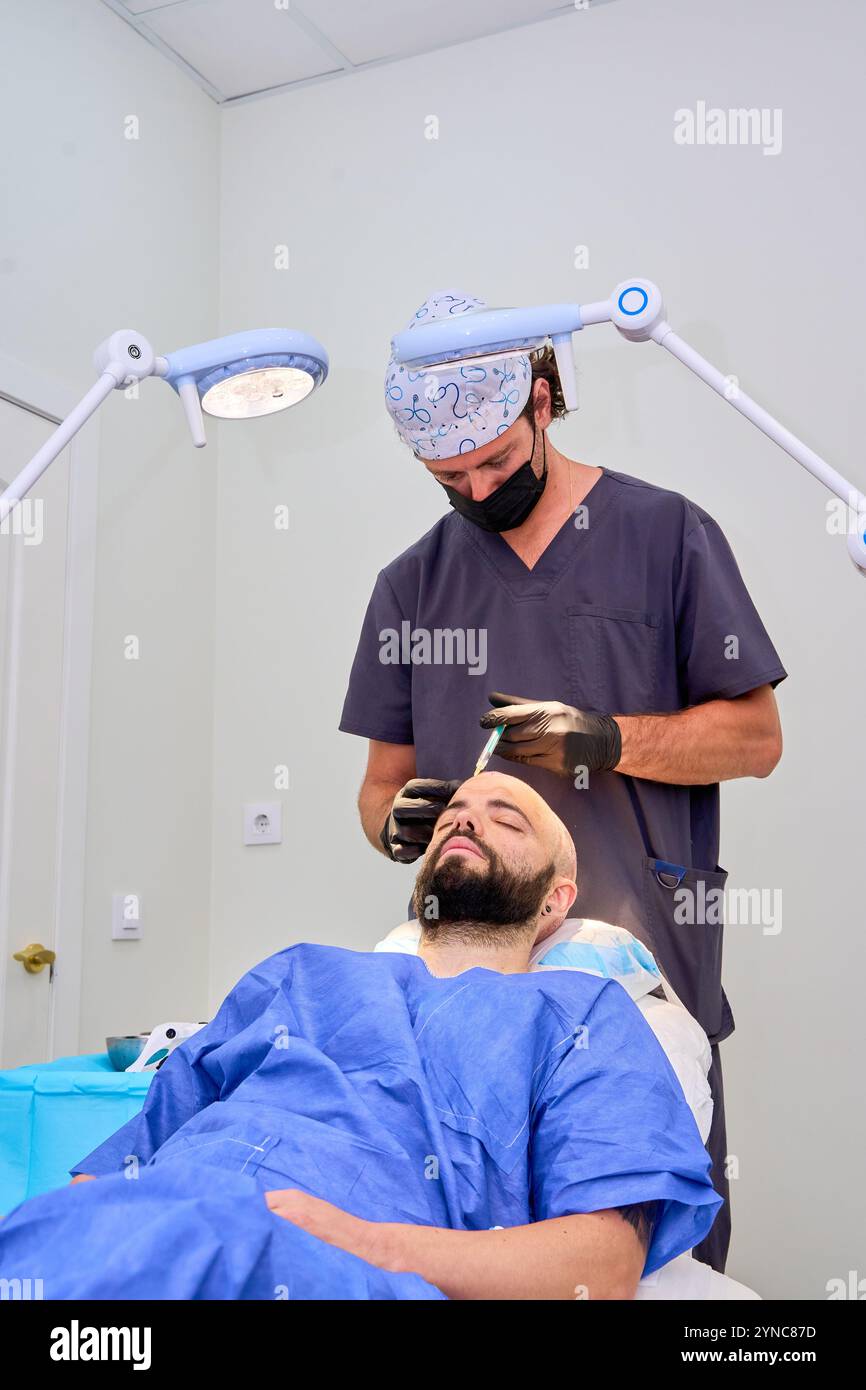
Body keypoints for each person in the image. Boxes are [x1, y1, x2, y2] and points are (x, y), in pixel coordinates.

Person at [339, 289, 787, 1272]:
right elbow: (379, 792)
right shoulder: (408, 588)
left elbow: (755, 738)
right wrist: (397, 824)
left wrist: (605, 739)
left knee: (641, 1231)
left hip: (638, 962)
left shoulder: (665, 537)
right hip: (472, 979)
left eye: (493, 461)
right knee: (472, 1226)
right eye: (445, 476)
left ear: (543, 398)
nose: (473, 488)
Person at [0, 775, 720, 1301]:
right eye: (452, 817)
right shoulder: (298, 973)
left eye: (506, 819)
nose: (463, 822)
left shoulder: (582, 1013)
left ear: (557, 901)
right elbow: (115, 1167)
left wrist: (366, 1241)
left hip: (327, 1265)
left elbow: (601, 1266)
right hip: (119, 1235)